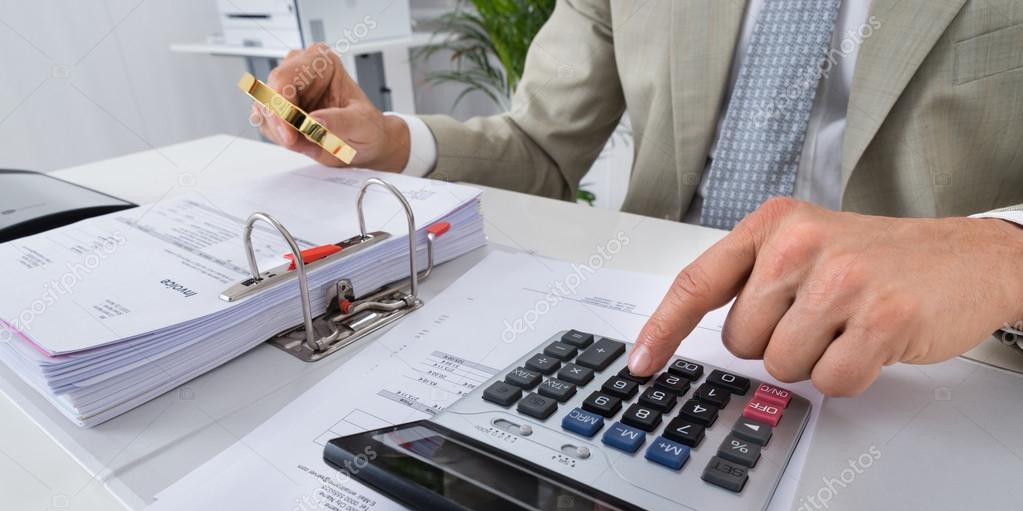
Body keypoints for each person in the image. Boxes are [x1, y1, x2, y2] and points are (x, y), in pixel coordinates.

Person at [254, 0, 1023, 397]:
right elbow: (540, 146)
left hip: (935, 376)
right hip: (650, 326)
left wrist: (999, 254)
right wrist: (390, 140)